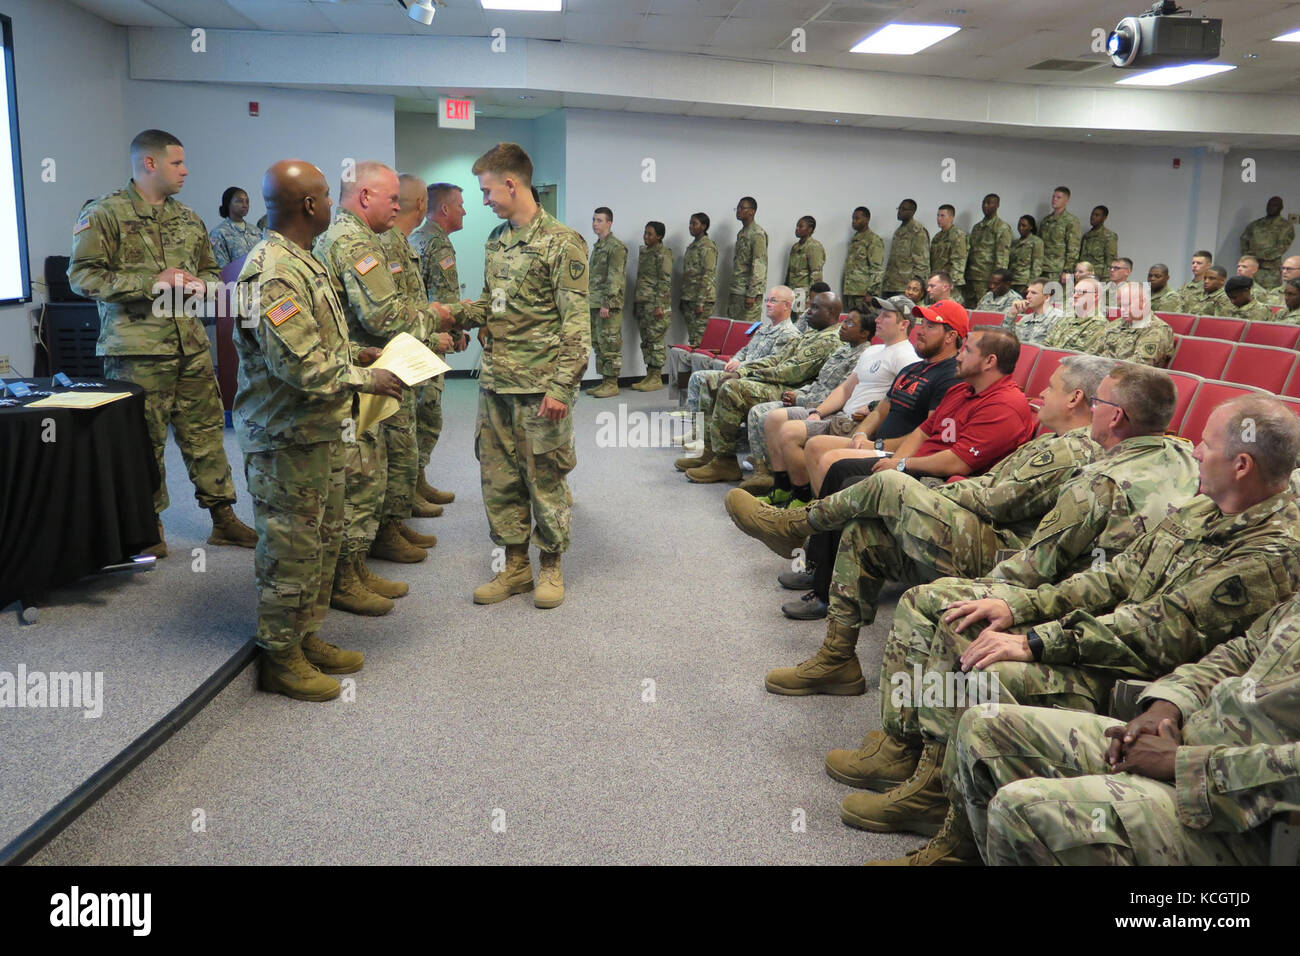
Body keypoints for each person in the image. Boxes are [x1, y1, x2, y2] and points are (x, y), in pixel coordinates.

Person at [863, 395, 1300, 864]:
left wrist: (1037, 640)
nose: (1192, 449)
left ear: (1240, 464)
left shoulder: (1273, 552)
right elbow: (1120, 579)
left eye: (1206, 444)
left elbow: (1160, 630)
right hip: (1168, 702)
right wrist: (1021, 606)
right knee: (966, 630)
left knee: (987, 673)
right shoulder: (1203, 510)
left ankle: (963, 813)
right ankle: (945, 809)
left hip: (1143, 681)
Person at [724, 325, 1042, 670]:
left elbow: (958, 462)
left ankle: (801, 540)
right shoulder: (963, 390)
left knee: (850, 478)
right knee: (842, 472)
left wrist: (901, 465)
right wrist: (894, 462)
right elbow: (925, 430)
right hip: (918, 466)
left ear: (990, 361)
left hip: (949, 486)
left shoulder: (1006, 404)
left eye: (969, 350)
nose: (960, 354)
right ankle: (817, 565)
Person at [949, 593, 1300, 865]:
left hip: (1246, 815)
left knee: (1022, 811)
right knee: (986, 727)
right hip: (1187, 743)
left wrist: (1183, 763)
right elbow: (1238, 654)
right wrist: (1164, 709)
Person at [233, 159, 404, 701]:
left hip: (318, 433)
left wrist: (358, 352)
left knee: (320, 543)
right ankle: (280, 656)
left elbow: (320, 344)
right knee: (289, 549)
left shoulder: (305, 261)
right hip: (286, 440)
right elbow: (299, 367)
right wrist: (367, 375)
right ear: (309, 205)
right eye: (328, 196)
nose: (335, 204)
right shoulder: (274, 271)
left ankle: (306, 636)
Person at [68, 128, 256, 558]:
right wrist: (152, 282)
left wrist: (200, 286)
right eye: (177, 163)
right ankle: (146, 523)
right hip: (135, 352)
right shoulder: (104, 214)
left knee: (206, 434)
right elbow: (82, 278)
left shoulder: (188, 219)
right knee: (144, 442)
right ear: (149, 163)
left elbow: (212, 273)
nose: (186, 170)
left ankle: (222, 517)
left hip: (189, 346)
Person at [459, 142, 590, 608]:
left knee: (545, 479)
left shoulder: (563, 242)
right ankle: (514, 567)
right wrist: (454, 316)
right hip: (495, 383)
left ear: (511, 184)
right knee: (499, 478)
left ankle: (551, 567)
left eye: (487, 190)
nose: (484, 199)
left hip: (540, 390)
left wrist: (561, 387)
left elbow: (577, 325)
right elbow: (491, 302)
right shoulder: (496, 239)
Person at [314, 161, 452, 599]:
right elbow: (382, 313)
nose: (400, 206)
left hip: (366, 362)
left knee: (375, 466)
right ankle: (348, 571)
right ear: (366, 196)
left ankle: (359, 559)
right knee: (360, 474)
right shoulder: (355, 242)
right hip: (358, 374)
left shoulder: (359, 237)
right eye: (391, 198)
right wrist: (438, 317)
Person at [680, 288, 843, 483]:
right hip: (780, 381)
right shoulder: (812, 334)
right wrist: (742, 370)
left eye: (815, 308)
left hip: (793, 388)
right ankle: (710, 451)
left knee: (732, 388)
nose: (808, 311)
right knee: (717, 382)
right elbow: (777, 360)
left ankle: (731, 463)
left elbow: (790, 371)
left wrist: (747, 373)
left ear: (832, 314)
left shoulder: (828, 339)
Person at [762, 304, 916, 500]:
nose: (877, 320)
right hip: (839, 415)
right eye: (879, 315)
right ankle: (783, 488)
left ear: (903, 324)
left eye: (885, 316)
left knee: (789, 432)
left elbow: (900, 400)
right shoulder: (873, 351)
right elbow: (845, 389)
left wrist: (870, 409)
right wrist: (818, 412)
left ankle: (802, 499)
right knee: (775, 419)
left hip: (856, 422)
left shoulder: (906, 356)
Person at [739, 306, 880, 495]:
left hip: (827, 407)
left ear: (864, 333)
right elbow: (819, 382)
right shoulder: (842, 350)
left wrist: (801, 399)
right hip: (811, 399)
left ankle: (784, 481)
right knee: (765, 414)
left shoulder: (863, 355)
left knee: (766, 416)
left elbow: (838, 393)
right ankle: (773, 477)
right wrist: (798, 393)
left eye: (850, 323)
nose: (843, 325)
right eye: (845, 320)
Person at [414, 181, 470, 506]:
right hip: (431, 340)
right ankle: (412, 485)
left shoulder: (416, 238)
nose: (465, 210)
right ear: (445, 209)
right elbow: (444, 300)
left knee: (421, 413)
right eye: (460, 204)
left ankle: (417, 482)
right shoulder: (438, 244)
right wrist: (458, 331)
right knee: (428, 413)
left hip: (418, 334)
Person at [1084, 280, 1175, 367]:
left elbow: (1140, 364)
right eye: (1120, 306)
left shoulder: (1157, 329)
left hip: (1130, 379)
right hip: (1101, 372)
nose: (1122, 310)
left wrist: (1100, 366)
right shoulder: (1116, 324)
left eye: (1127, 305)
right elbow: (1091, 352)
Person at [587, 206, 627, 398]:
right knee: (598, 342)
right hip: (594, 301)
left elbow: (615, 277)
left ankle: (612, 383)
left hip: (607, 304)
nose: (595, 224)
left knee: (610, 343)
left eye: (599, 220)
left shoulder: (616, 247)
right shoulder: (598, 246)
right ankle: (605, 380)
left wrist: (607, 302)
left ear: (609, 223)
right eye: (594, 220)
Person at [630, 220, 673, 391]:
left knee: (655, 341)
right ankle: (650, 374)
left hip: (656, 305)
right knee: (647, 341)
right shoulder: (646, 252)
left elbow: (665, 281)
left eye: (650, 234)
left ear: (659, 236)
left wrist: (659, 305)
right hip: (644, 303)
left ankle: (656, 377)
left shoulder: (663, 254)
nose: (646, 236)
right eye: (645, 233)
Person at [964, 194, 1012, 309]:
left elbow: (1002, 257)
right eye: (984, 203)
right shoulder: (977, 227)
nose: (986, 206)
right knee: (969, 309)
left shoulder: (1002, 228)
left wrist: (997, 281)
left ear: (997, 205)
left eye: (989, 203)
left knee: (985, 309)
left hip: (987, 278)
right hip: (972, 277)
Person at [679, 211, 718, 345]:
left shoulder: (707, 247)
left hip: (702, 300)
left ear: (704, 226)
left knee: (699, 339)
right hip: (690, 298)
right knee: (693, 338)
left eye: (694, 224)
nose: (690, 226)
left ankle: (700, 366)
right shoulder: (692, 246)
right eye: (690, 223)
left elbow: (708, 275)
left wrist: (700, 302)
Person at [1240, 195, 1295, 289]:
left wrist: (1260, 257)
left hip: (1271, 272)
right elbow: (1244, 240)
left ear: (1281, 208)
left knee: (1270, 299)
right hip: (1252, 269)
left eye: (1274, 205)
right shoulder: (1255, 224)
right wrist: (1248, 258)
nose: (1270, 208)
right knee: (1249, 296)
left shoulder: (1286, 226)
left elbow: (1281, 248)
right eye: (1269, 205)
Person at [728, 196, 767, 322]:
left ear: (752, 211)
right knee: (733, 329)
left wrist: (752, 294)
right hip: (737, 290)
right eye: (737, 208)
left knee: (746, 332)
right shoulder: (742, 233)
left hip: (748, 293)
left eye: (742, 208)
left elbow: (759, 266)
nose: (738, 211)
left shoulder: (757, 234)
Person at [1041, 276, 1106, 351]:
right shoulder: (1067, 317)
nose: (1075, 296)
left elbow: (1081, 355)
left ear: (1095, 296)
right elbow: (1046, 343)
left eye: (1081, 292)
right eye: (1074, 292)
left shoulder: (1099, 324)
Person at [882, 199, 930, 296]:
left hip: (906, 287)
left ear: (912, 212)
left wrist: (916, 287)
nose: (899, 211)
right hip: (891, 285)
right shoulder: (899, 231)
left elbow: (922, 263)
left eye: (903, 209)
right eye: (899, 208)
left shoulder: (917, 231)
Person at [842, 205, 884, 314]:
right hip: (851, 291)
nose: (853, 221)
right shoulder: (855, 239)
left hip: (863, 293)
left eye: (857, 218)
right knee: (852, 322)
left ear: (867, 219)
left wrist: (871, 293)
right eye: (853, 218)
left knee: (865, 322)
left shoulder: (873, 240)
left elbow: (877, 269)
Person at [209, 186, 260, 268]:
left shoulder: (256, 231)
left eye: (247, 202)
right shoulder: (219, 233)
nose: (245, 205)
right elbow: (221, 267)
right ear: (228, 204)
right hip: (235, 279)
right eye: (240, 201)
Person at [1000, 278, 1060, 344]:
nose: (1028, 296)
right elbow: (1005, 340)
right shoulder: (1026, 319)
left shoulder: (1057, 318)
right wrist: (1012, 314)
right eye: (1028, 292)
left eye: (1033, 293)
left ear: (1046, 297)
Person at [929, 205, 969, 304]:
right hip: (937, 282)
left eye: (943, 216)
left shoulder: (958, 236)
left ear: (951, 217)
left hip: (950, 284)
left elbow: (959, 262)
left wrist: (951, 284)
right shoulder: (937, 237)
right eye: (938, 215)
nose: (939, 219)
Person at [1039, 186, 1081, 278]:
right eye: (1053, 197)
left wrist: (1068, 271)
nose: (1054, 199)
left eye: (1058, 197)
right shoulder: (1046, 220)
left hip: (1059, 269)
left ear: (1066, 200)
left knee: (1059, 292)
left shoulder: (1071, 221)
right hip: (1043, 267)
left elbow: (1073, 248)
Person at [785, 215, 825, 307]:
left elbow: (816, 274)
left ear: (810, 229)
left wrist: (812, 298)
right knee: (791, 320)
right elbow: (789, 272)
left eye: (800, 226)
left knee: (802, 320)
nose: (797, 229)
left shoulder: (814, 247)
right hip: (792, 292)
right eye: (797, 226)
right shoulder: (795, 247)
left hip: (804, 294)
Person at [1007, 215, 1043, 295]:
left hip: (1024, 283)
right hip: (1012, 281)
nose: (1020, 228)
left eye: (1024, 225)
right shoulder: (1014, 243)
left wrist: (1031, 284)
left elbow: (1037, 266)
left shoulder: (1036, 242)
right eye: (1019, 225)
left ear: (1031, 227)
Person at [1078, 204, 1118, 275]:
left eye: (1097, 215)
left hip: (1098, 276)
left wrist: (1106, 280)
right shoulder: (1086, 236)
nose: (1093, 217)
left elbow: (1110, 261)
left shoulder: (1109, 236)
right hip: (1084, 274)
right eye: (1092, 214)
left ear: (1104, 218)